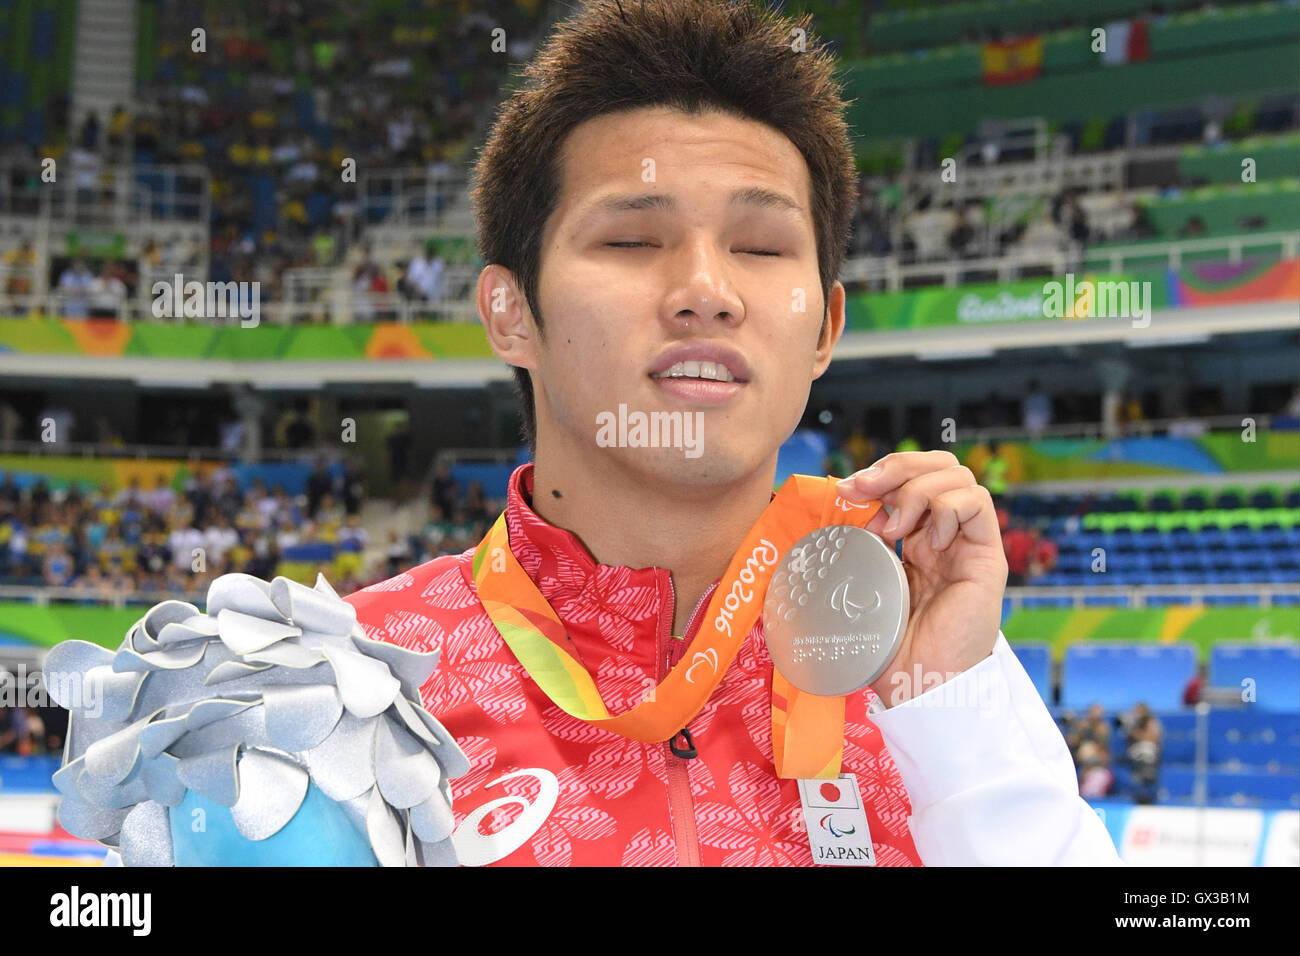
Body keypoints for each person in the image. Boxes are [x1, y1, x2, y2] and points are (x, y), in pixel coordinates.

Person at [342, 0, 1118, 867]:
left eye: (760, 246)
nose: (708, 290)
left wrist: (946, 703)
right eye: (634, 238)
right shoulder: (356, 690)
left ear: (824, 328)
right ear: (510, 310)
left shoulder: (915, 665)